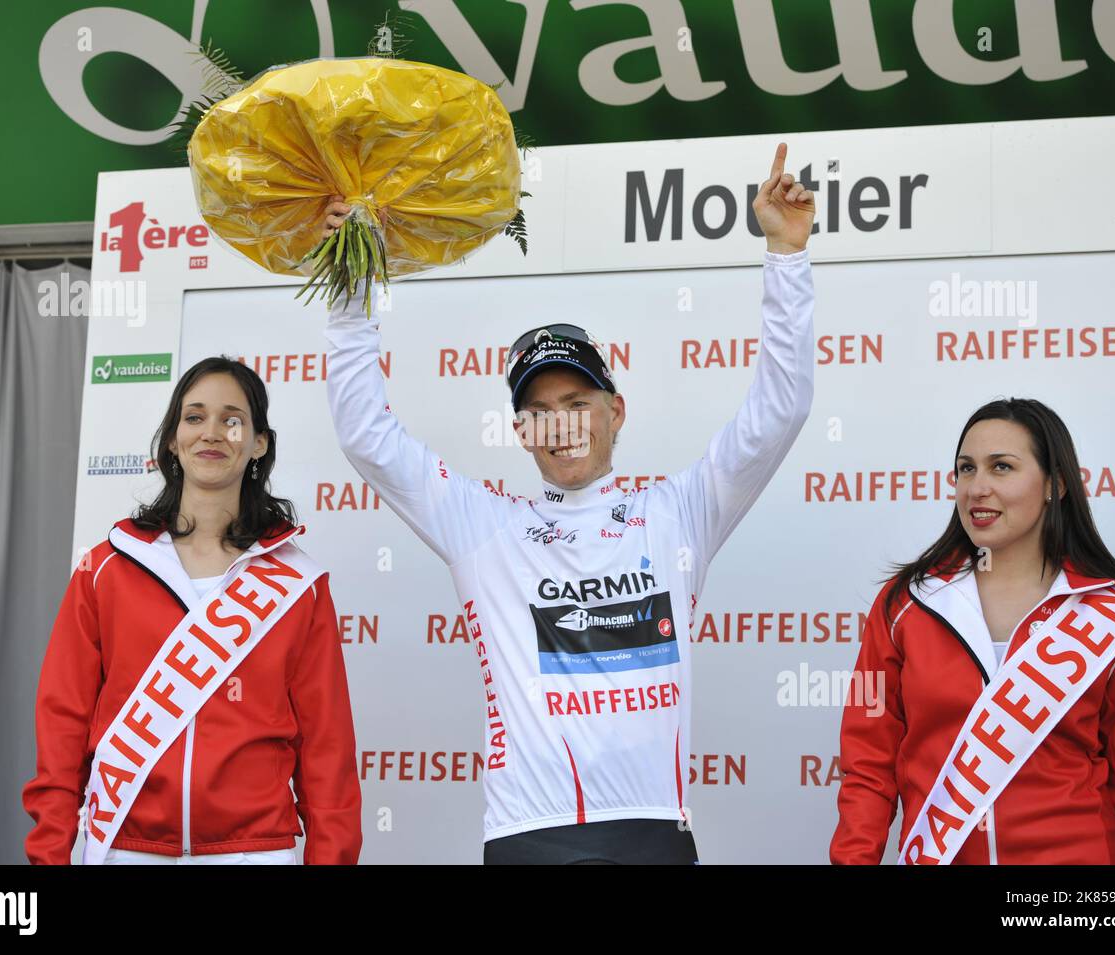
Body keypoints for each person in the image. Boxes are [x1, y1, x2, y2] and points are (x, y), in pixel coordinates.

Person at [323, 143, 815, 863]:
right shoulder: (485, 529)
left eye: (577, 402)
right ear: (520, 431)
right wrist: (349, 286)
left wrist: (786, 257)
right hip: (529, 838)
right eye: (540, 409)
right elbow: (366, 433)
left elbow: (782, 409)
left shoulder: (678, 514)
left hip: (655, 832)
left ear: (617, 410)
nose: (562, 423)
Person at [23, 357, 361, 864]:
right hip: (122, 846)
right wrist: (51, 851)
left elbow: (326, 748)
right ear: (172, 439)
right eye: (195, 416)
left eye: (232, 419)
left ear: (258, 443)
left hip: (253, 852)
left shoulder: (299, 585)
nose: (212, 433)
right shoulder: (104, 569)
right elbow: (62, 721)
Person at [831, 398, 1115, 865]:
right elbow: (868, 766)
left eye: (1001, 467)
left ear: (1056, 485)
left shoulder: (1110, 615)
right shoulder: (905, 604)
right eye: (966, 469)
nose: (977, 488)